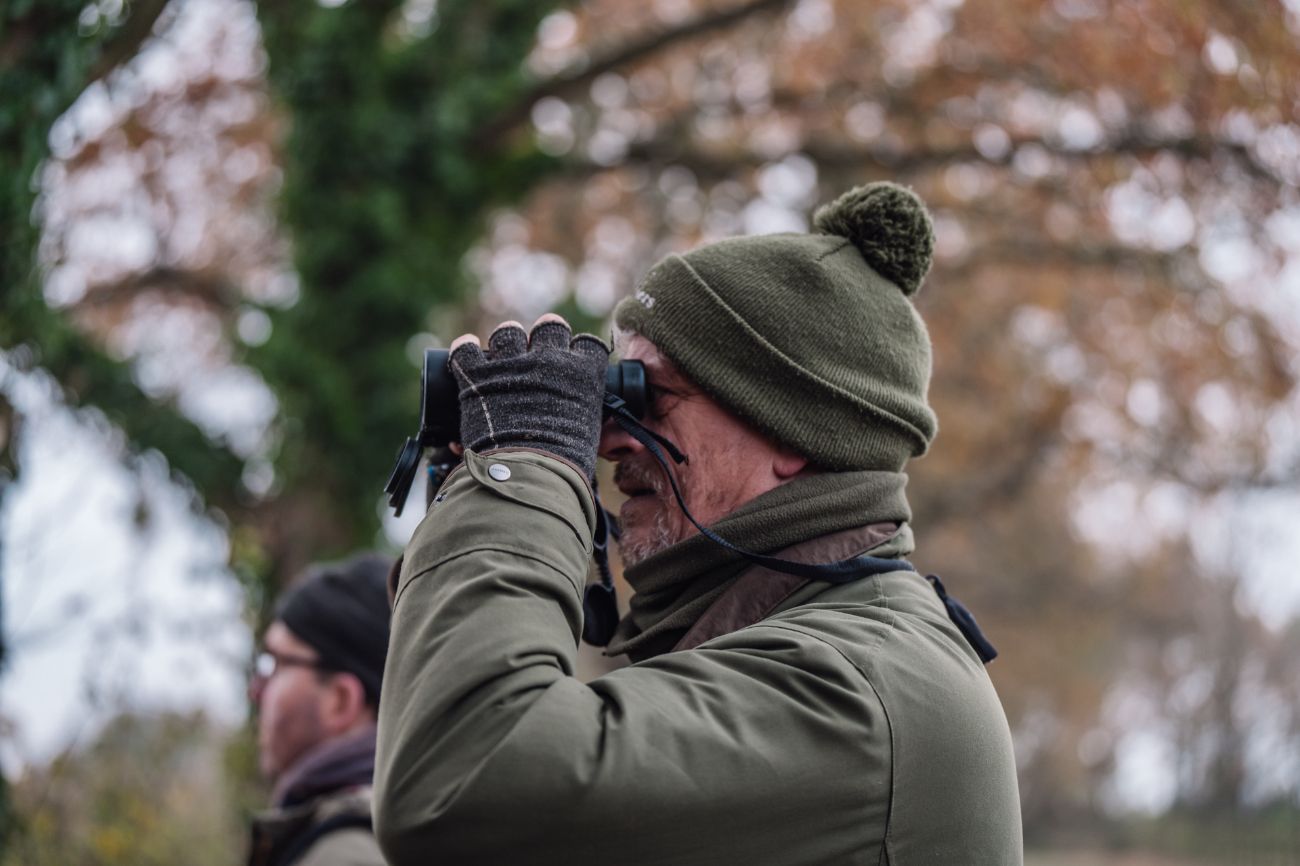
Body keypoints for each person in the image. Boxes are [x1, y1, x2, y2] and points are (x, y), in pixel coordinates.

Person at [375, 183, 1023, 864]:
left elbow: (462, 782)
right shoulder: (773, 642)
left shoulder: (856, 688)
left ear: (791, 432)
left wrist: (521, 468)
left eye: (649, 398)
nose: (608, 441)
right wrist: (474, 490)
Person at [247, 553, 392, 866]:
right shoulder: (399, 831)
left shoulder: (344, 856)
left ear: (340, 701)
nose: (256, 692)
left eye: (277, 664)